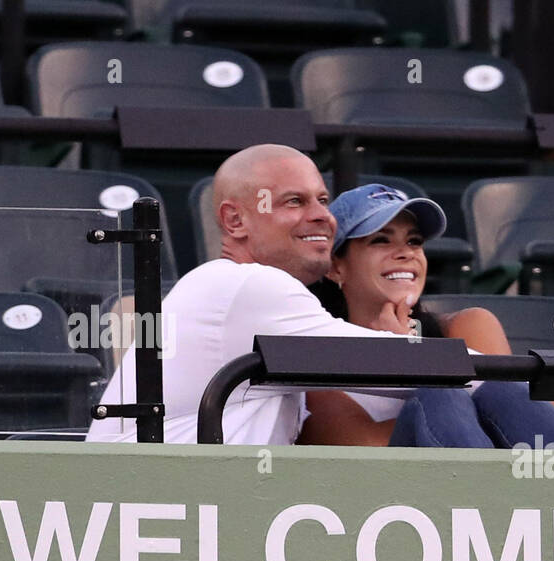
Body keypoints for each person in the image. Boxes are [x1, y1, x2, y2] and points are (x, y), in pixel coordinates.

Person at [87, 143, 402, 443]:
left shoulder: (233, 287)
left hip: (163, 489)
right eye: (294, 201)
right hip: (146, 491)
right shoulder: (247, 285)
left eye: (322, 200)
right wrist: (404, 344)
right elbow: (399, 373)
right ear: (235, 220)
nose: (322, 215)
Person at [297, 182, 554, 449]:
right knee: (441, 394)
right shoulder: (318, 356)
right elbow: (363, 453)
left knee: (501, 390)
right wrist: (403, 356)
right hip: (397, 496)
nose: (405, 253)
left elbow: (517, 413)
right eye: (381, 240)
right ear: (335, 267)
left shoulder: (468, 325)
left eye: (414, 241)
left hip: (503, 487)